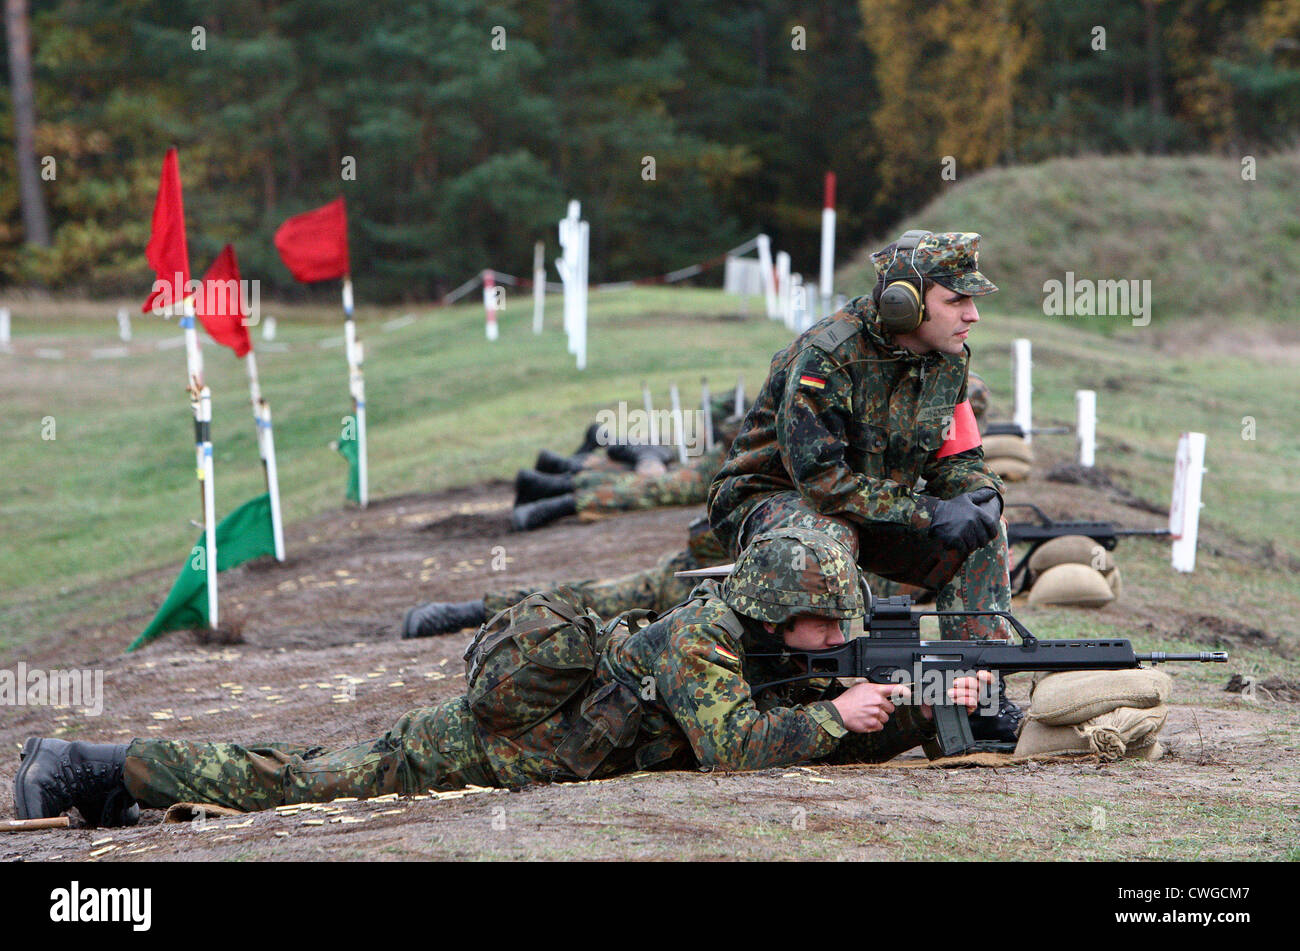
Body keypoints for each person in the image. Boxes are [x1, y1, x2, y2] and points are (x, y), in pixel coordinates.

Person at [14, 530, 989, 826]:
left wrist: (940, 708)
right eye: (821, 624)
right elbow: (737, 747)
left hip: (536, 748)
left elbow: (796, 710)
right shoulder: (703, 641)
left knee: (301, 774)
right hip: (481, 747)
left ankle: (106, 770)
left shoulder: (763, 647)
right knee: (300, 780)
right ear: (773, 608)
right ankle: (91, 763)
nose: (830, 641)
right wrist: (842, 716)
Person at [707, 230, 1021, 739]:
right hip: (770, 505)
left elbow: (960, 458)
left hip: (870, 508)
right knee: (830, 536)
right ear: (905, 303)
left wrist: (980, 497)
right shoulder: (827, 357)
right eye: (957, 300)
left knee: (984, 533)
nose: (972, 316)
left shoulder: (950, 361)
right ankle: (813, 695)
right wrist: (929, 514)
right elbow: (823, 484)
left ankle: (978, 695)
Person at [402, 514, 727, 638]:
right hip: (693, 581)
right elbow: (709, 528)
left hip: (707, 581)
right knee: (584, 601)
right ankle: (464, 613)